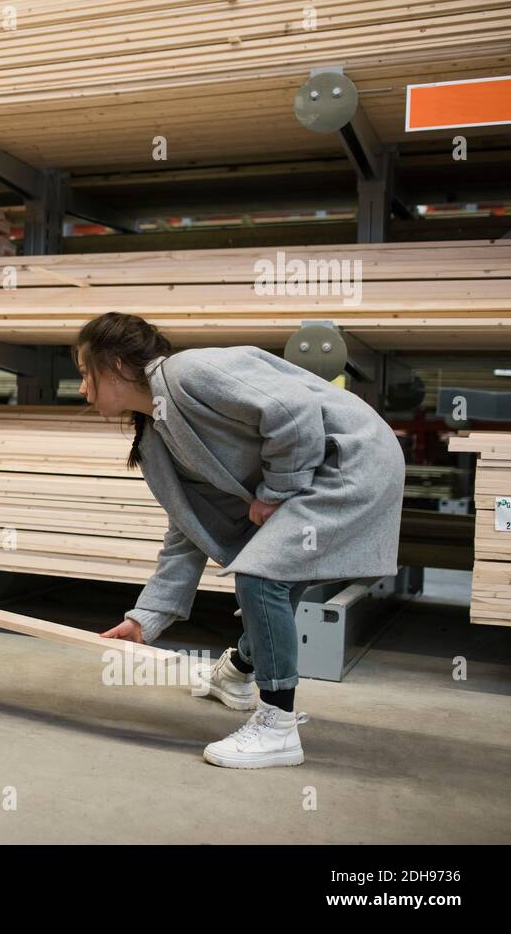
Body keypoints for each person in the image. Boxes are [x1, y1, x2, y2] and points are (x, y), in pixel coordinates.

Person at [76, 312, 404, 768]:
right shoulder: (157, 434)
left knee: (260, 577)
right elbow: (188, 528)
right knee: (276, 584)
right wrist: (146, 618)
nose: (81, 389)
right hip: (318, 471)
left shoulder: (189, 373)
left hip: (349, 458)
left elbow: (292, 411)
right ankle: (236, 673)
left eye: (83, 373)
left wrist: (276, 492)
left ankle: (278, 727)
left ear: (113, 365)